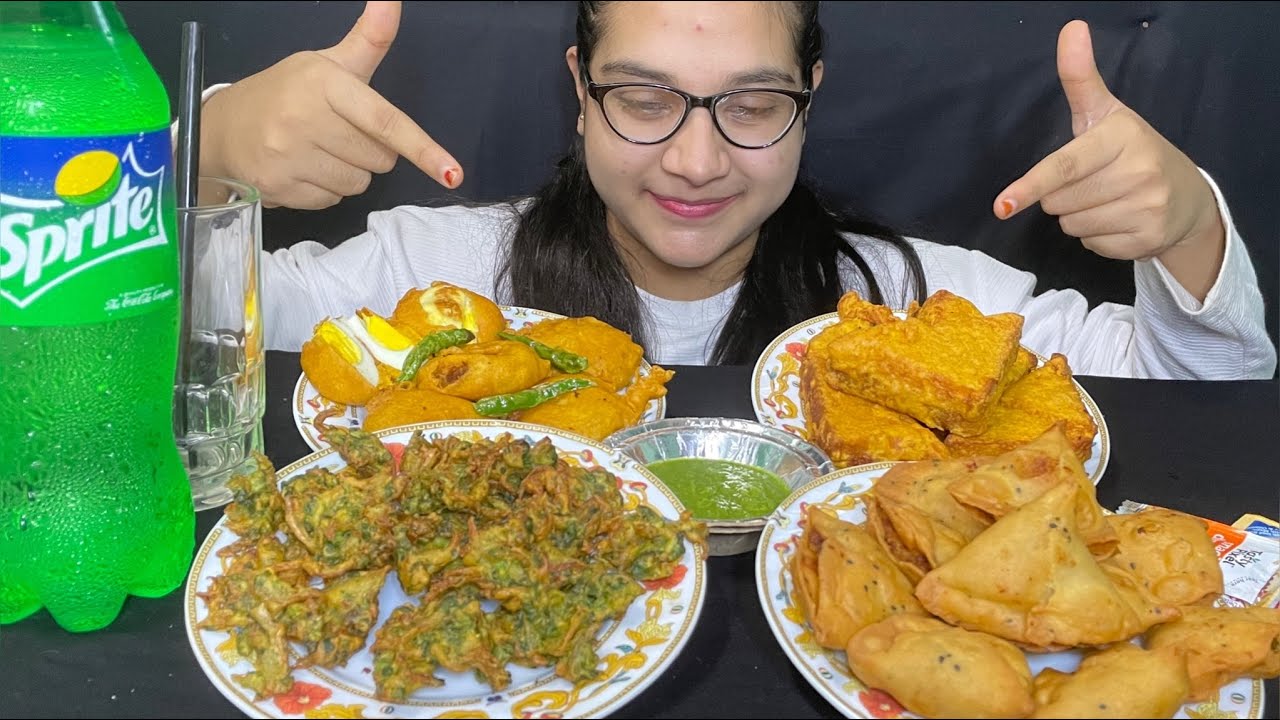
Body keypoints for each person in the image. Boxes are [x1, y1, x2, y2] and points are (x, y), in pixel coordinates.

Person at [195, 0, 1275, 379]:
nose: (697, 162)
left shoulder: (907, 298)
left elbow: (1200, 390)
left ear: (810, 92)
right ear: (578, 91)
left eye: (751, 104)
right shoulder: (427, 274)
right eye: (643, 97)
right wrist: (202, 164)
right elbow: (187, 341)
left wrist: (1183, 229)